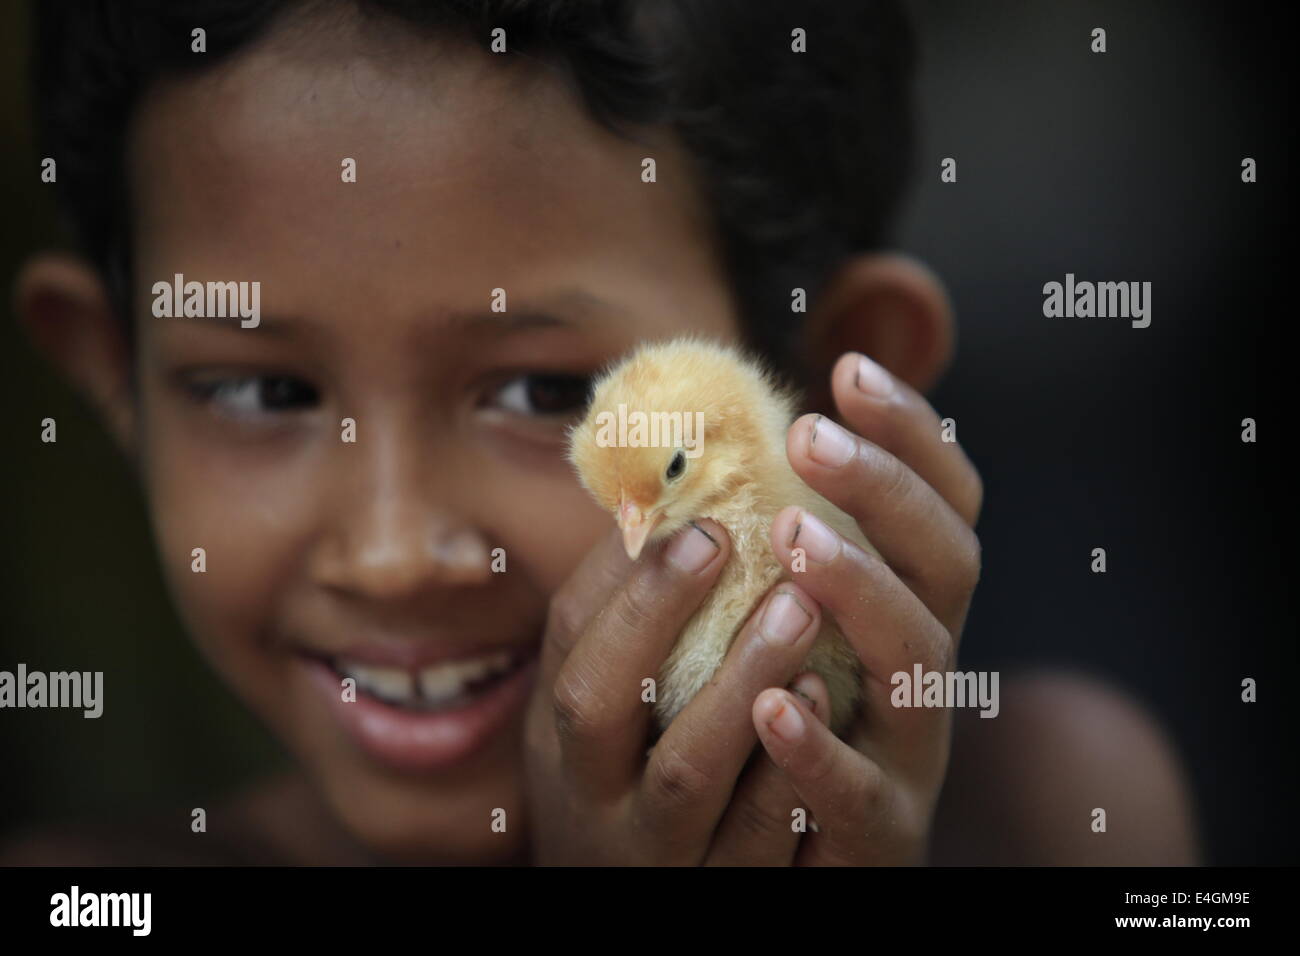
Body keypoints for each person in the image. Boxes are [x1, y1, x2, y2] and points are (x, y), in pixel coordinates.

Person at [4, 0, 1198, 865]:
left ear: (834, 392)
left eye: (542, 392)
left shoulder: (1055, 813)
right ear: (114, 377)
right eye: (264, 394)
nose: (391, 551)